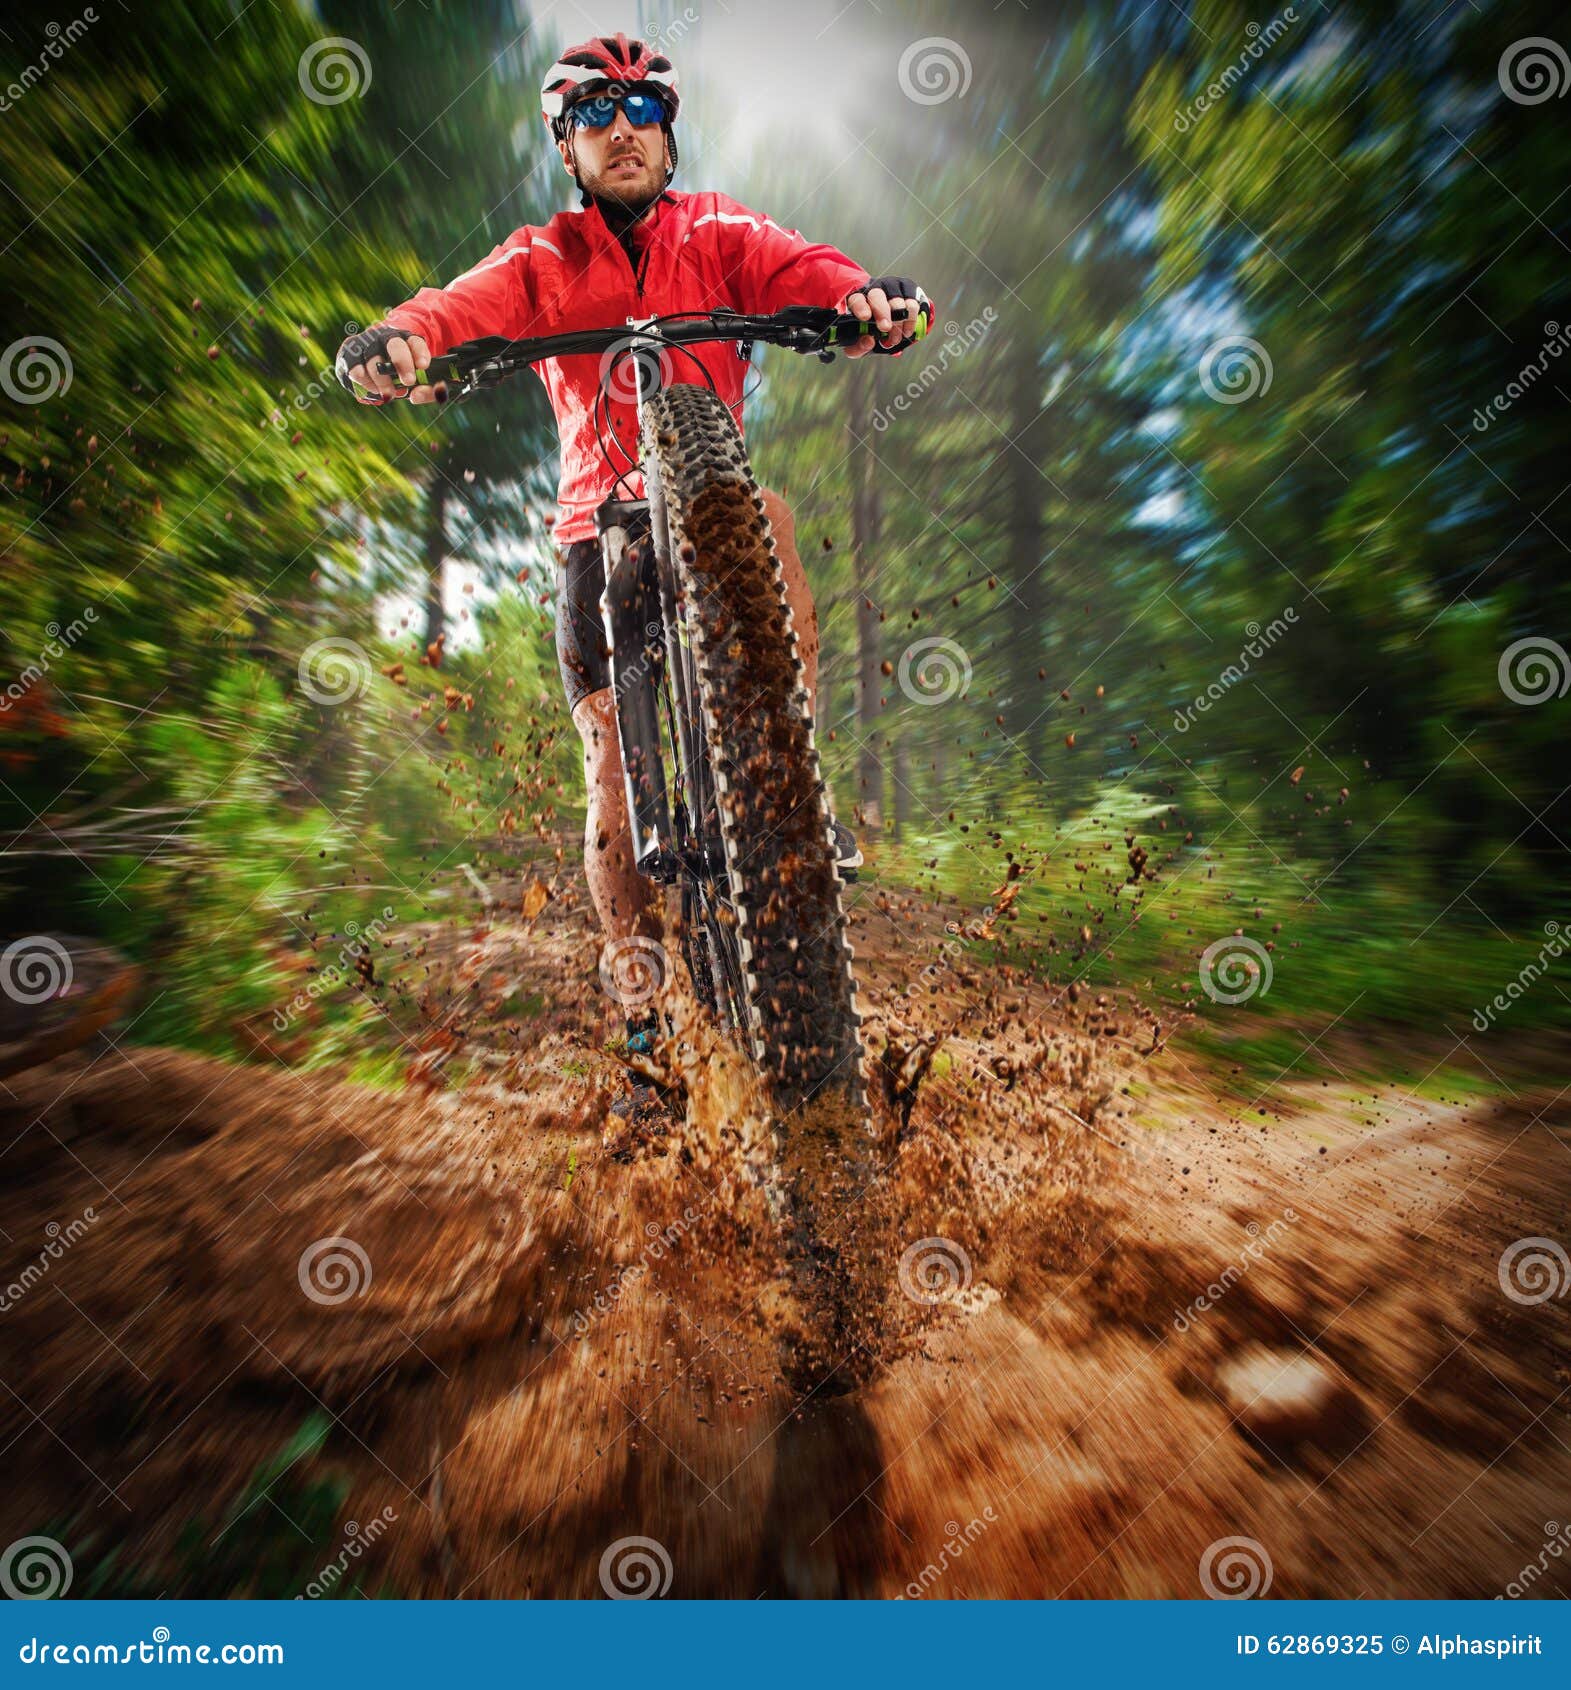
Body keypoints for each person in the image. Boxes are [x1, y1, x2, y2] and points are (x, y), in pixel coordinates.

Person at [336, 33, 932, 1126]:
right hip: (590, 536)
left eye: (644, 105)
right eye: (594, 110)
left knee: (774, 515)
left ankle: (784, 775)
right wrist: (403, 341)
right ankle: (646, 1021)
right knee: (611, 774)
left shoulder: (719, 231)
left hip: (712, 510)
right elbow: (454, 307)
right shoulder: (543, 255)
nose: (623, 125)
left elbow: (806, 271)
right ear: (568, 145)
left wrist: (862, 299)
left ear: (667, 130)